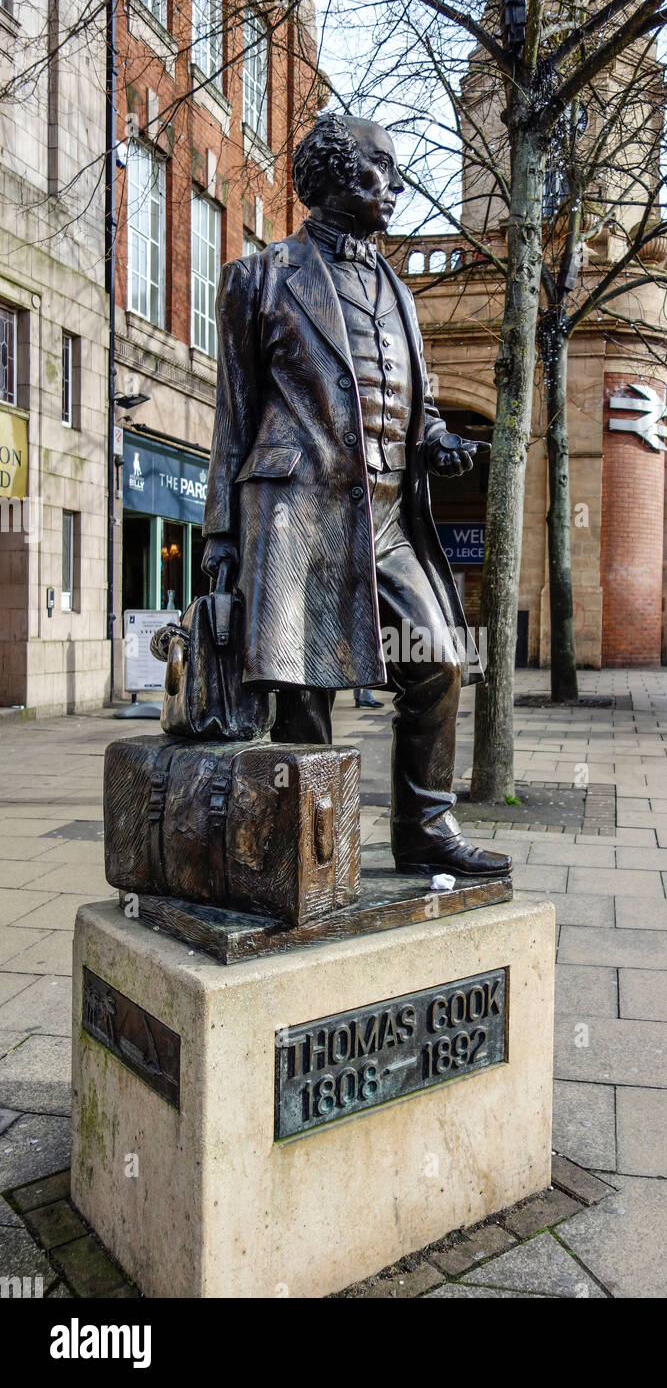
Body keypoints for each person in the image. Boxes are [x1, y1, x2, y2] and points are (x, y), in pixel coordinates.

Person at [200, 112, 510, 879]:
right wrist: (219, 540)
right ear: (338, 175)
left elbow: (415, 399)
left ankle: (424, 828)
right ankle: (312, 854)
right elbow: (232, 420)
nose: (399, 186)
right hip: (295, 512)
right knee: (304, 695)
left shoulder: (400, 292)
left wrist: (434, 438)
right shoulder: (262, 276)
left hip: (386, 517)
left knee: (438, 660)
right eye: (383, 169)